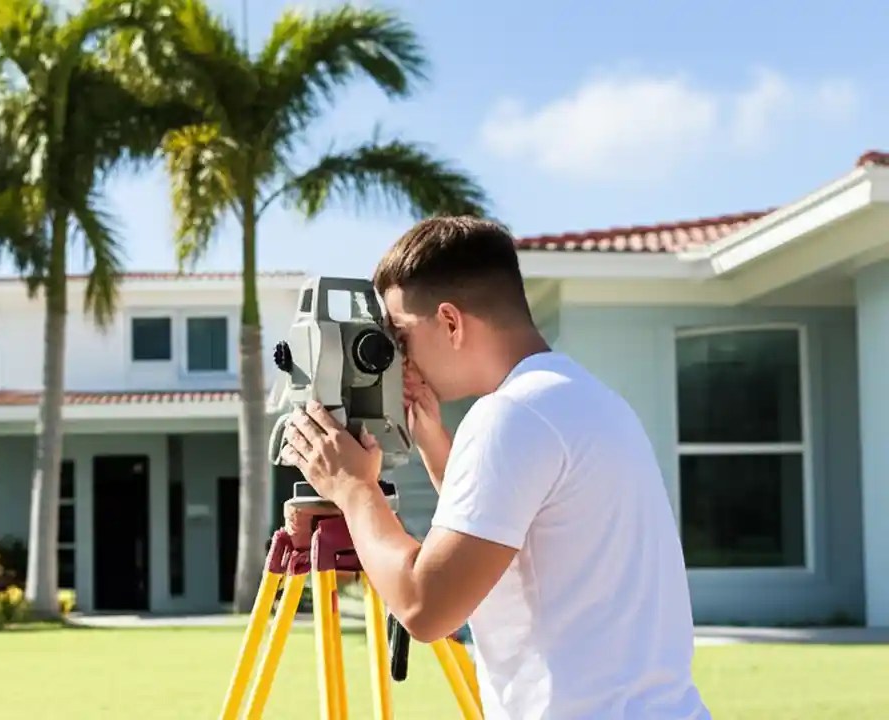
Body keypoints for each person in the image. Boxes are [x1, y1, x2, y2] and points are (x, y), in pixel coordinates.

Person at [280, 216, 710, 719]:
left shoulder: (510, 415)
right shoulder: (583, 398)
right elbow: (498, 530)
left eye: (400, 336)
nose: (397, 360)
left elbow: (424, 606)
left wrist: (353, 488)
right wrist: (434, 442)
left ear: (450, 322)